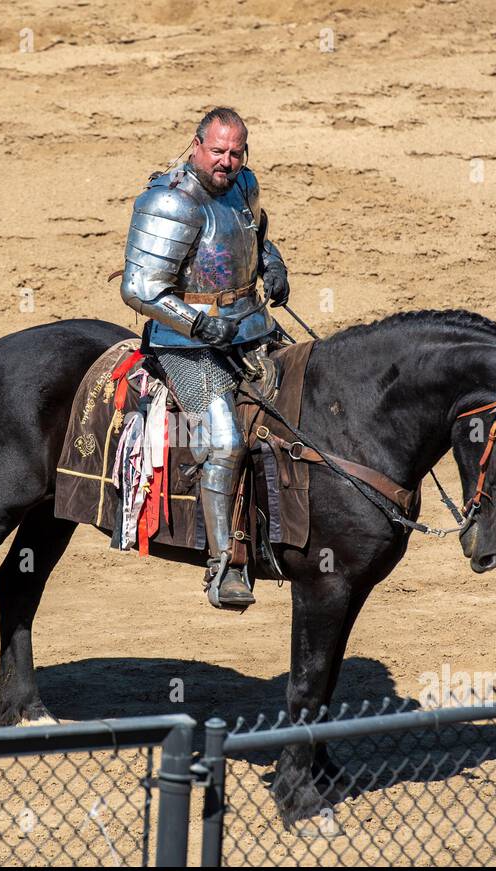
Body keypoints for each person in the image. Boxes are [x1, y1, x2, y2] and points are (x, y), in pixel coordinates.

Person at [118, 107, 291, 610]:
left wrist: (274, 266)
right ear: (196, 146)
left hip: (250, 325)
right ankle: (225, 566)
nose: (227, 162)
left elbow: (255, 235)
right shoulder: (169, 202)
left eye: (236, 153)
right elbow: (139, 288)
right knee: (224, 439)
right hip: (186, 344)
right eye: (217, 151)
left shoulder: (243, 185)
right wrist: (196, 322)